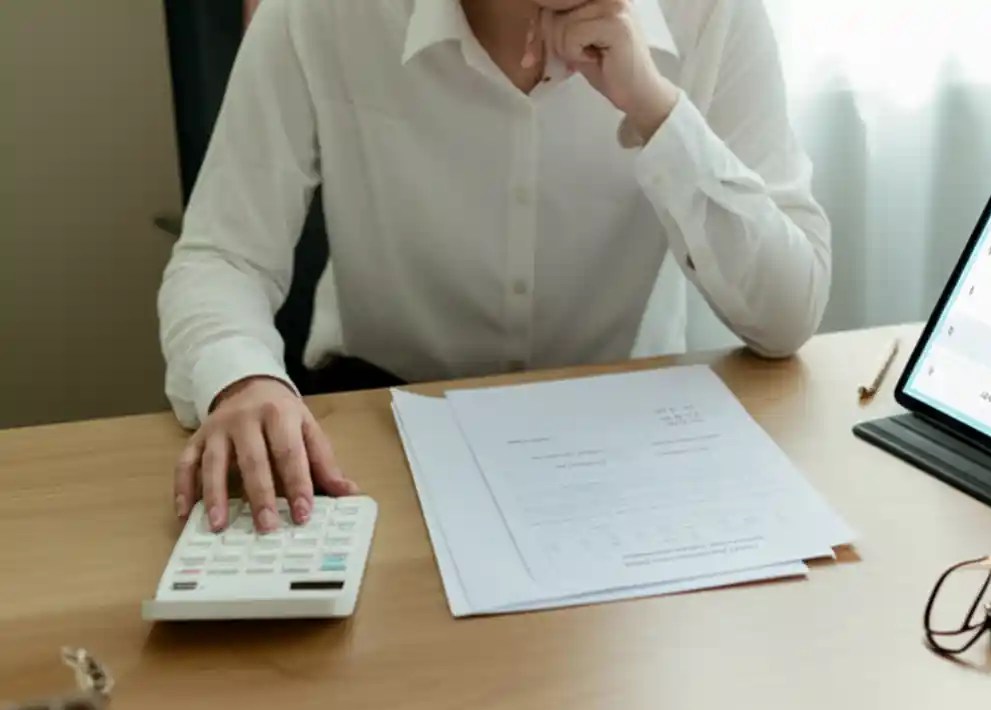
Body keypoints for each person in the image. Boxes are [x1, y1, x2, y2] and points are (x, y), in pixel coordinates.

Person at [160, 0, 832, 534]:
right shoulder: (324, 11)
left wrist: (655, 108)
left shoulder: (713, 14)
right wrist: (242, 380)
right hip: (380, 440)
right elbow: (222, 253)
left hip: (626, 454)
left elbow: (787, 314)